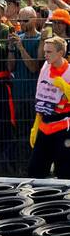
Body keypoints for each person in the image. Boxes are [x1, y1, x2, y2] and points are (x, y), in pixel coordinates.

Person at [29, 36, 70, 179]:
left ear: (60, 53)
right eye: (45, 51)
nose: (45, 55)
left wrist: (65, 87)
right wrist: (36, 125)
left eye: (49, 52)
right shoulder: (45, 68)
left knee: (64, 171)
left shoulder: (69, 71)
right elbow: (41, 99)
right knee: (35, 169)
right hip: (45, 125)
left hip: (63, 126)